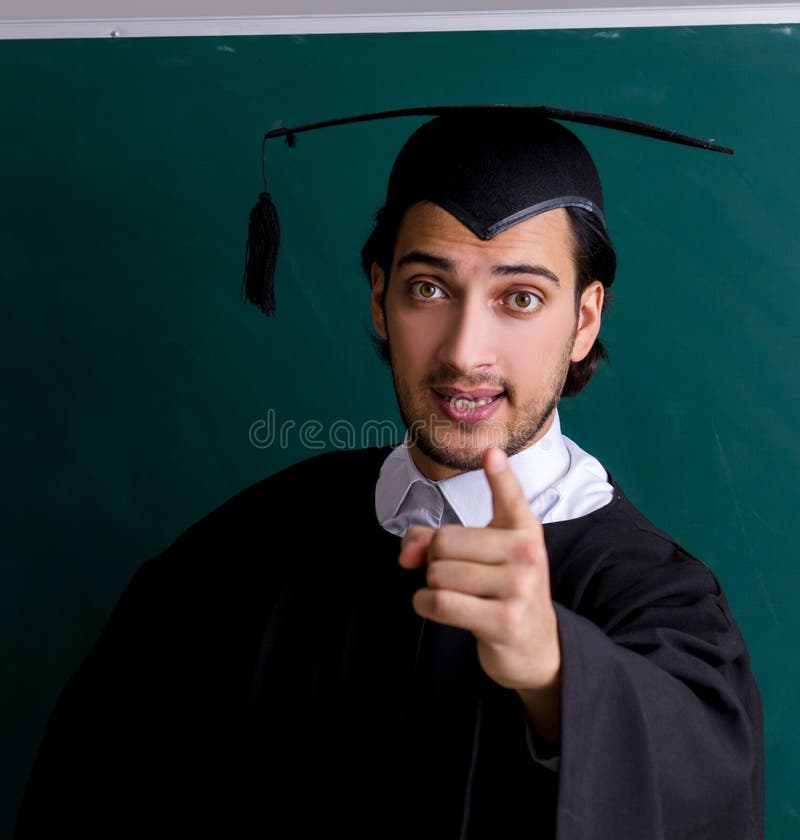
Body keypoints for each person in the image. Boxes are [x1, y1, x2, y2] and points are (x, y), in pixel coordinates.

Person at [15, 105, 764, 839]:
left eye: (522, 298)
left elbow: (700, 781)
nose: (466, 351)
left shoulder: (656, 601)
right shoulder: (249, 546)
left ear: (585, 319)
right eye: (429, 288)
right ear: (380, 298)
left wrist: (555, 670)